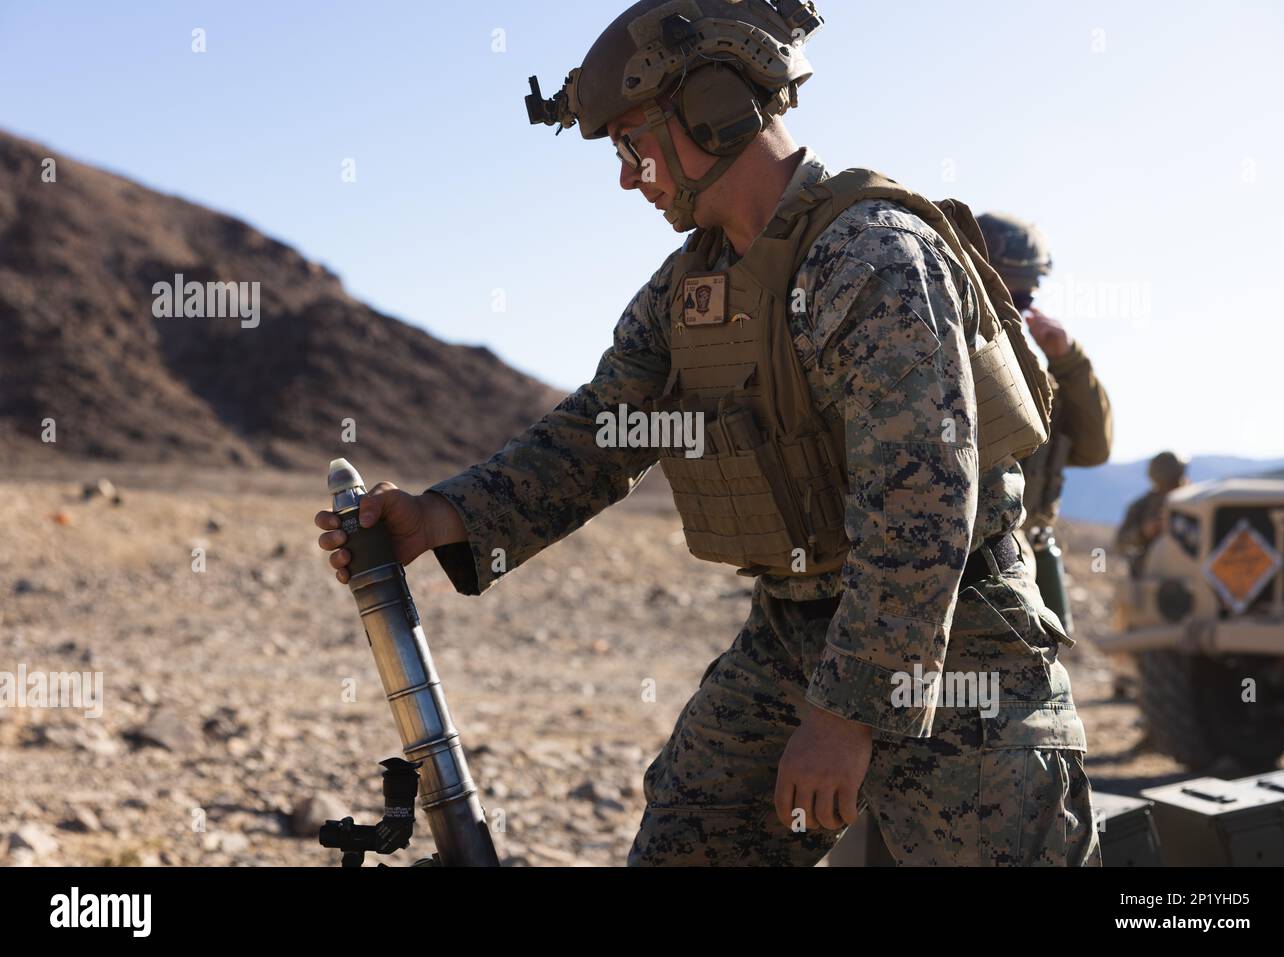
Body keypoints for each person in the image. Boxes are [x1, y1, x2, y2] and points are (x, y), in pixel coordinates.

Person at [316, 0, 1097, 866]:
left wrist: (846, 715)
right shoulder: (691, 287)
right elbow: (602, 431)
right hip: (794, 631)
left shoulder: (872, 256)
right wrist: (441, 516)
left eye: (630, 142)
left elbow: (922, 507)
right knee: (689, 841)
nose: (627, 176)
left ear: (712, 108)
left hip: (955, 643)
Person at [977, 213, 1112, 636]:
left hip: (1028, 554)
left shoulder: (1041, 376)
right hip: (979, 565)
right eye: (1010, 296)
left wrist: (1068, 360)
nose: (1019, 310)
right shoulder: (951, 356)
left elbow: (1093, 449)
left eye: (1026, 299)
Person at [1118, 451, 1189, 576]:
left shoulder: (1194, 503)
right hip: (1153, 572)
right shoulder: (1142, 507)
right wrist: (1144, 532)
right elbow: (1120, 543)